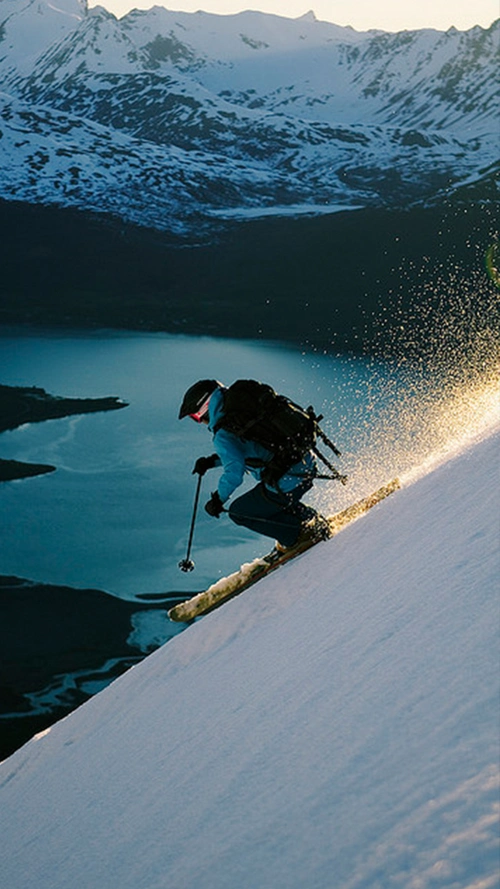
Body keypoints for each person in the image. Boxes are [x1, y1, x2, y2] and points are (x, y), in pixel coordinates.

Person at [178, 379, 329, 552]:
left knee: (239, 512)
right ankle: (312, 520)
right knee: (269, 497)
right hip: (305, 464)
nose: (199, 421)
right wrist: (211, 462)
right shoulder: (241, 410)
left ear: (204, 408)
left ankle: (296, 537)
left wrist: (218, 500)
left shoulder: (222, 433)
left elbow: (234, 472)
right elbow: (250, 449)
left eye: (195, 417)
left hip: (288, 480)